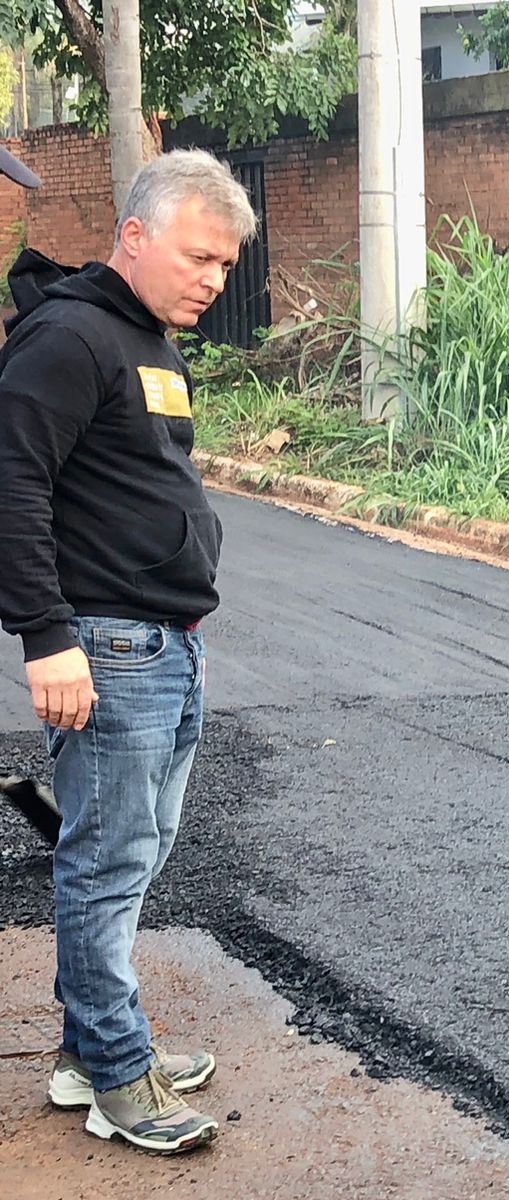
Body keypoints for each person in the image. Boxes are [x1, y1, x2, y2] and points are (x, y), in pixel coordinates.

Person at [0, 148, 256, 1154]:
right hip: (104, 647)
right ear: (136, 234)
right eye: (200, 257)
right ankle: (116, 1075)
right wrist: (47, 637)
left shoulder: (148, 339)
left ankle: (83, 1050)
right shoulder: (67, 339)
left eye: (227, 267)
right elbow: (12, 489)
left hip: (168, 644)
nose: (213, 280)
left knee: (133, 853)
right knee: (106, 865)